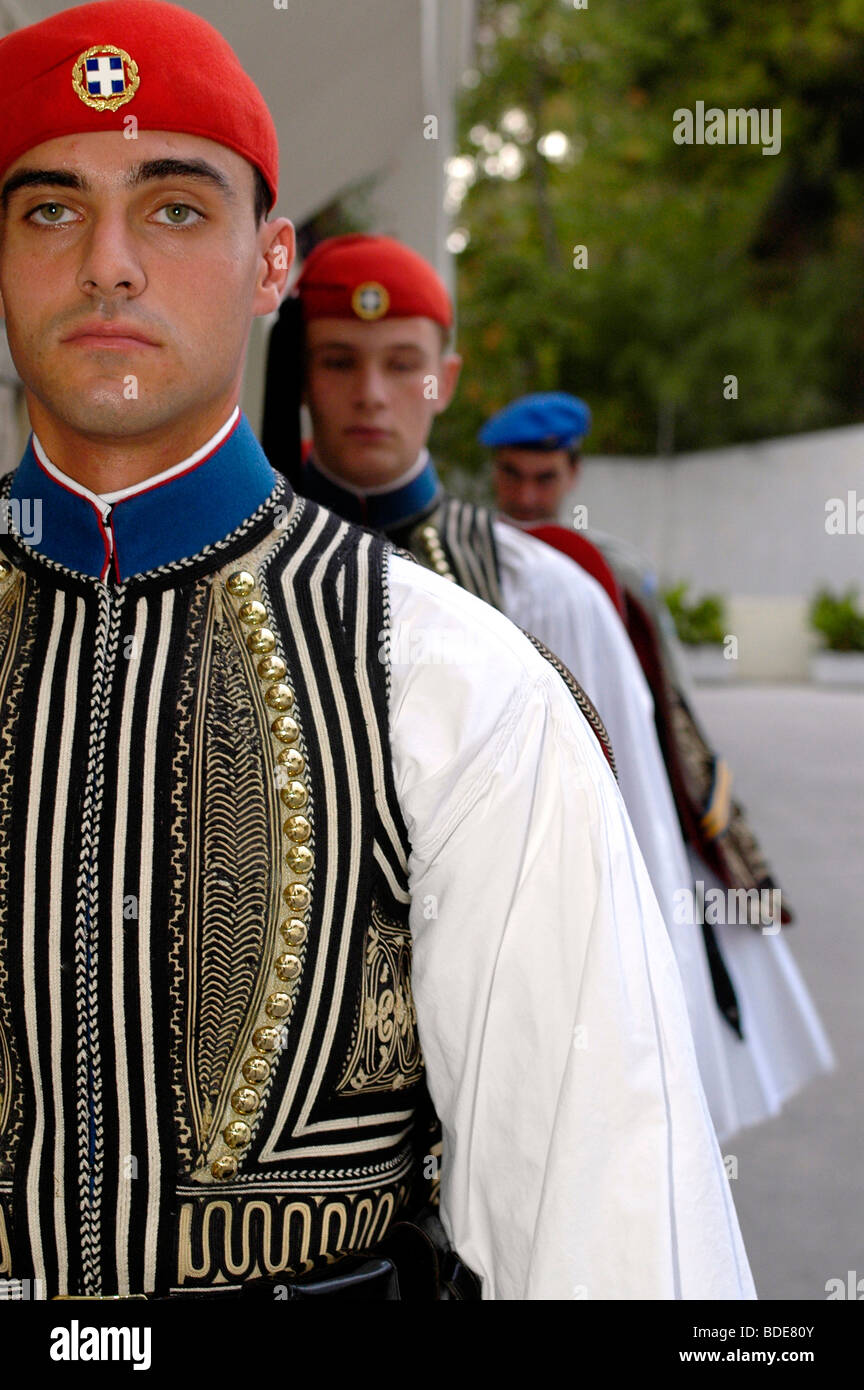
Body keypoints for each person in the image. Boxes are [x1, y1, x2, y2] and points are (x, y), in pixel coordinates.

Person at [0, 0, 755, 1302]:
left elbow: (598, 1208)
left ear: (270, 264)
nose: (109, 263)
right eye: (51, 209)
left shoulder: (460, 683)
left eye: (174, 208)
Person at [267, 232, 791, 1140]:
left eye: (403, 364)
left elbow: (630, 844)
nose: (371, 394)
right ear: (299, 375)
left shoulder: (543, 590)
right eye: (338, 361)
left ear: (446, 380)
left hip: (500, 1029)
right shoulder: (238, 571)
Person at [483, 391, 835, 1134]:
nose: (526, 496)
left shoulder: (617, 569)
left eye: (543, 478)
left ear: (573, 476)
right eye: (512, 476)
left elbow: (666, 701)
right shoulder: (471, 561)